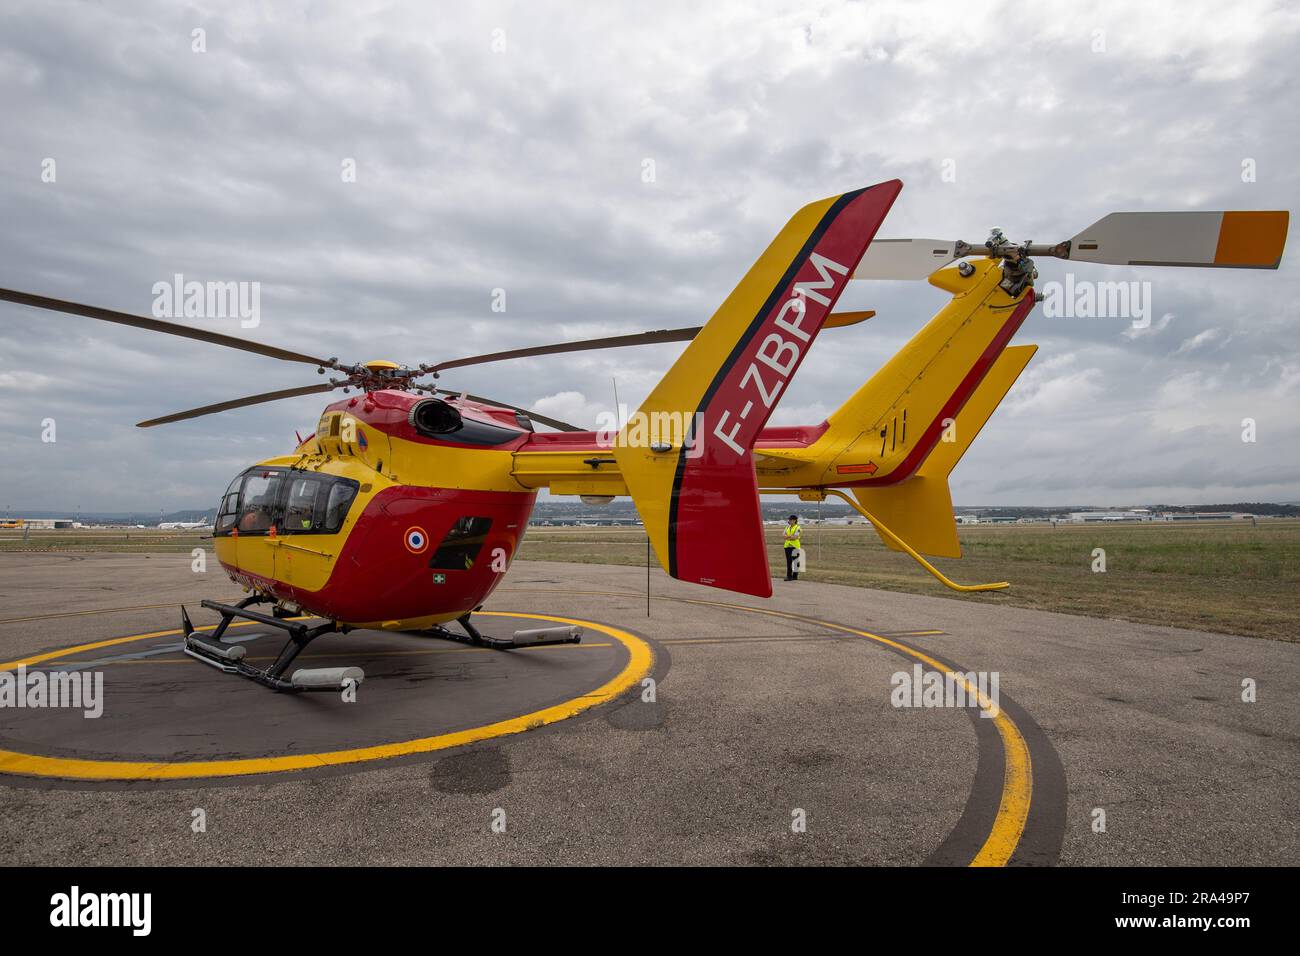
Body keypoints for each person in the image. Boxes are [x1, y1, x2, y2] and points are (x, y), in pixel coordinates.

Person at [783, 513, 802, 581]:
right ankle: (789, 576)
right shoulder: (787, 527)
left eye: (791, 520)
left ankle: (795, 575)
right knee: (789, 562)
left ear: (794, 520)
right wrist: (790, 536)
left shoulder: (798, 528)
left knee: (795, 561)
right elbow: (783, 536)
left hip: (795, 546)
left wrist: (788, 536)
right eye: (789, 519)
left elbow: (795, 537)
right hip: (787, 546)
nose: (789, 521)